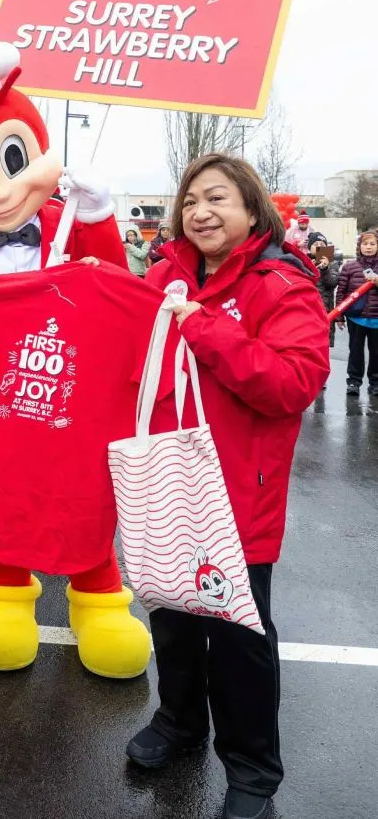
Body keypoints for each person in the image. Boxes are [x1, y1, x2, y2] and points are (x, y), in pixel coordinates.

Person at [0, 37, 149, 682]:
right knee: (1, 501)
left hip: (72, 401)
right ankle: (7, 599)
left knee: (81, 496)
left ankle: (98, 602)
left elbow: (116, 287)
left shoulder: (71, 223)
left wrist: (96, 218)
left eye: (13, 160)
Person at [125, 153, 329, 819]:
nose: (200, 212)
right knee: (172, 615)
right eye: (190, 201)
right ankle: (179, 723)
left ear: (251, 210)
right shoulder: (161, 277)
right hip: (166, 478)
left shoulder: (282, 284)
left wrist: (204, 327)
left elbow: (294, 383)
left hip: (240, 492)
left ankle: (252, 768)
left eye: (216, 199)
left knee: (241, 637)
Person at [335, 229, 378, 396]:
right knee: (355, 351)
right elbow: (341, 291)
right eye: (365, 244)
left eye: (372, 244)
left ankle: (375, 383)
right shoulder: (349, 266)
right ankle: (353, 381)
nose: (368, 247)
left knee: (376, 353)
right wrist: (339, 316)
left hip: (376, 318)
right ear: (359, 246)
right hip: (356, 318)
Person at [309, 238, 339, 346]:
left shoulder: (333, 263)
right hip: (307, 308)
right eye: (315, 244)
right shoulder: (302, 261)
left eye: (322, 244)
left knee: (323, 345)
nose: (318, 246)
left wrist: (325, 269)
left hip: (325, 308)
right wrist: (309, 268)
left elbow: (332, 283)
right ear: (309, 247)